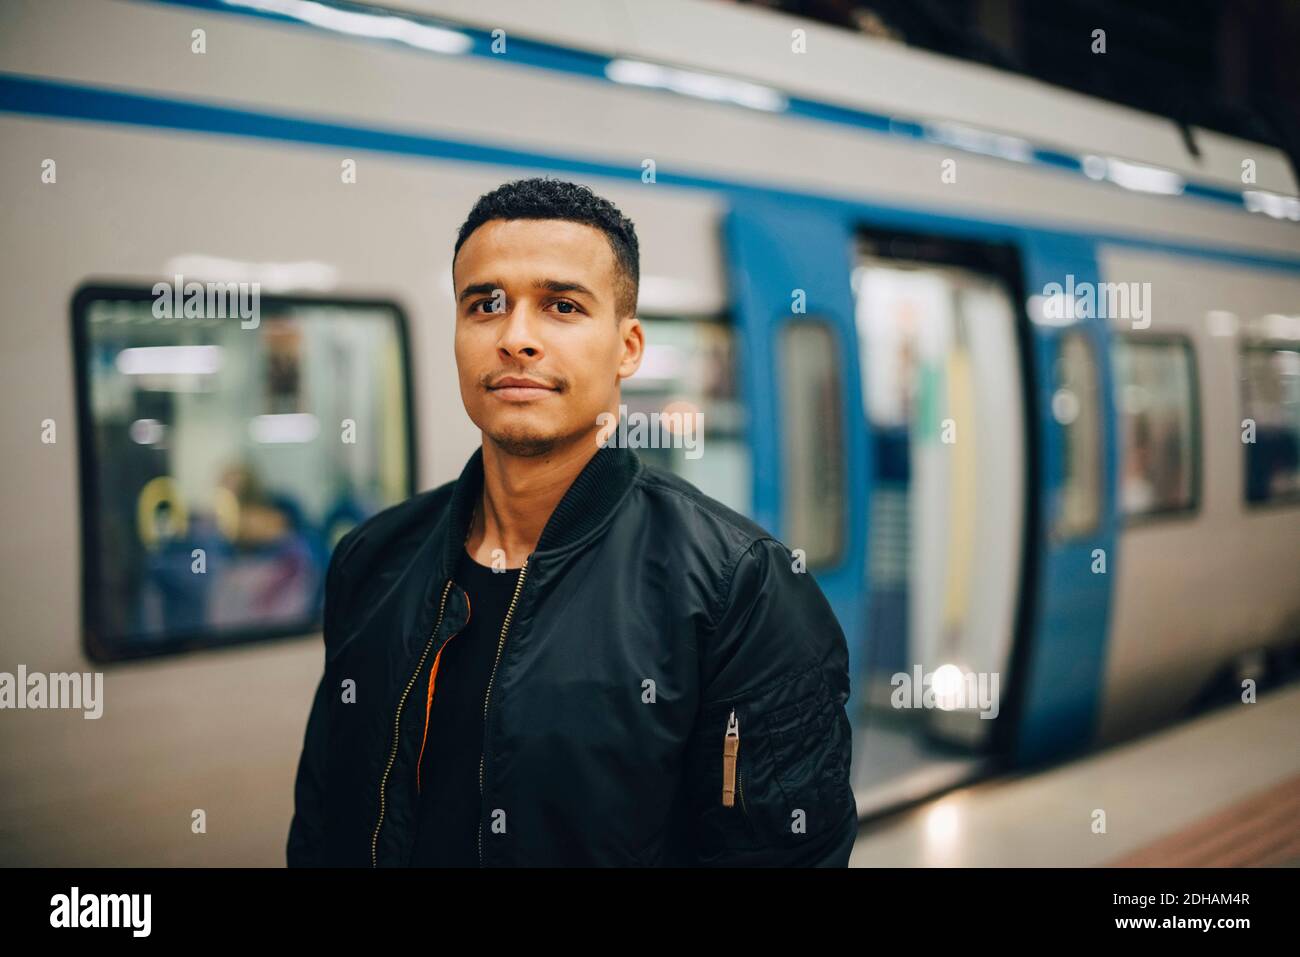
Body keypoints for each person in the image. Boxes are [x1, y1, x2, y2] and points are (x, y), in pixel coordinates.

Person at [286, 177, 857, 867]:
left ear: (628, 347)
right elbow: (323, 821)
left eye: (561, 305)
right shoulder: (373, 559)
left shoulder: (739, 587)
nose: (516, 338)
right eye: (485, 305)